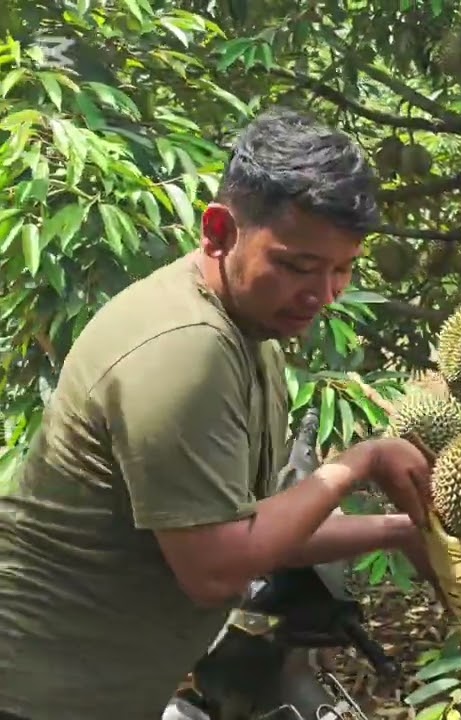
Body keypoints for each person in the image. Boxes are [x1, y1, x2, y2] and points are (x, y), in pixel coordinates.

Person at [0, 107, 438, 720]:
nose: (322, 295)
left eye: (341, 270)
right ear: (218, 232)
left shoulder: (252, 333)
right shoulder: (185, 348)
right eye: (296, 266)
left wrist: (400, 530)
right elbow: (216, 570)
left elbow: (255, 532)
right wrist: (356, 466)